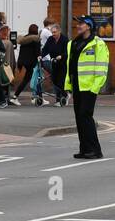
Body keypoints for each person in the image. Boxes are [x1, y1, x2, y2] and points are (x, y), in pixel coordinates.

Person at [65, 15, 110, 159]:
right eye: (78, 23)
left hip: (90, 87)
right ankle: (84, 149)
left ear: (89, 26)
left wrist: (95, 87)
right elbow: (70, 66)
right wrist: (68, 84)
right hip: (77, 85)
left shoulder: (98, 44)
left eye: (82, 24)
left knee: (86, 116)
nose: (78, 26)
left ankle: (95, 150)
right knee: (79, 117)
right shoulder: (72, 44)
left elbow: (102, 67)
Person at [41, 21, 68, 107]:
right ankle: (58, 99)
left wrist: (61, 56)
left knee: (61, 81)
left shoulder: (65, 40)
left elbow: (67, 52)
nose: (53, 34)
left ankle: (63, 97)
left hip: (63, 63)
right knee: (55, 80)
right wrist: (40, 56)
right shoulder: (50, 39)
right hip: (54, 62)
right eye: (52, 32)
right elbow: (45, 49)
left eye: (55, 32)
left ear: (59, 31)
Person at [14, 24, 42, 101]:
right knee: (36, 79)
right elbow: (37, 52)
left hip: (24, 62)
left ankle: (16, 96)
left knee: (29, 79)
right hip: (32, 63)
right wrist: (40, 57)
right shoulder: (36, 39)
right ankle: (37, 97)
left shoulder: (24, 38)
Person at [0, 24, 19, 105]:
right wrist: (13, 66)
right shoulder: (8, 43)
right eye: (8, 31)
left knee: (0, 83)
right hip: (7, 66)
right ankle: (5, 99)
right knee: (6, 83)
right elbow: (11, 57)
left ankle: (0, 98)